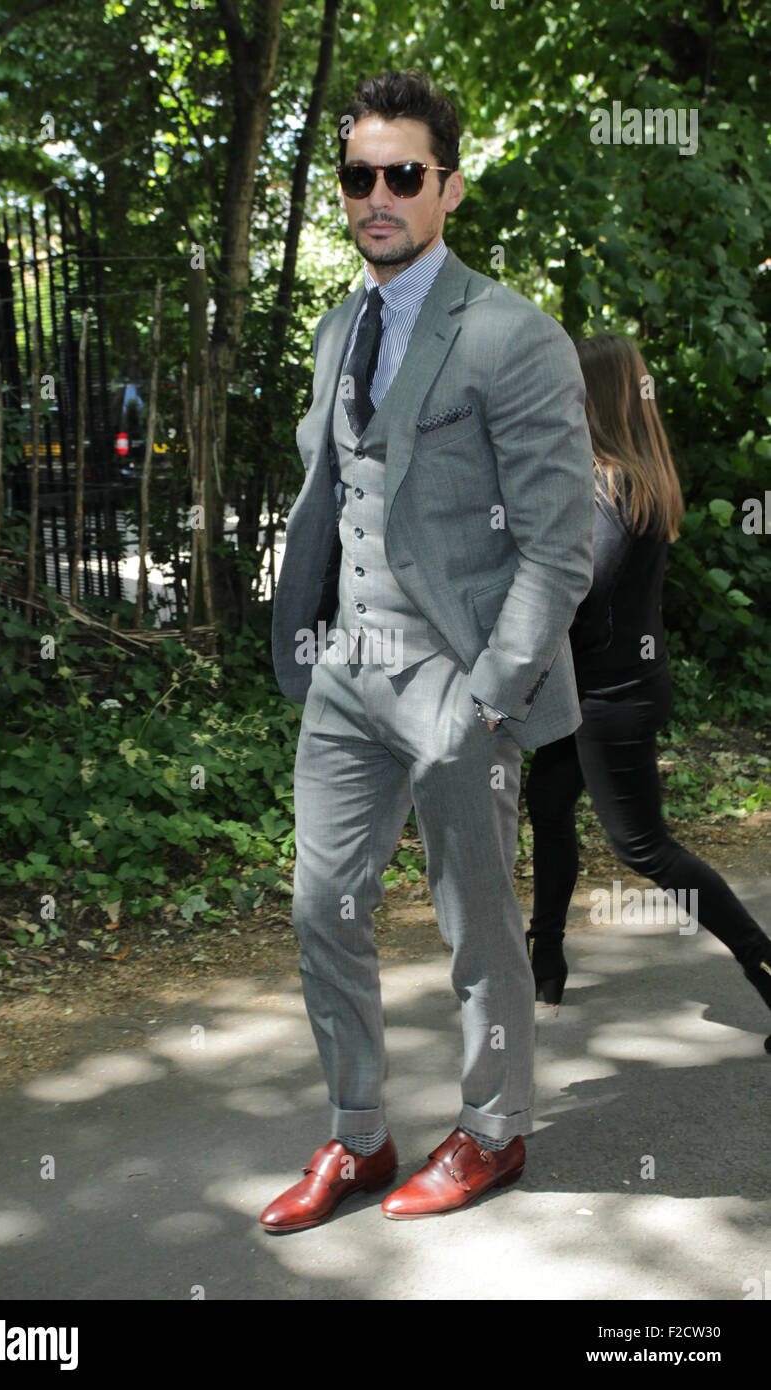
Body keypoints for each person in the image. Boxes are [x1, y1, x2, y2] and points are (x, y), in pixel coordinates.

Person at [260, 68, 594, 1233]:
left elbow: (560, 547)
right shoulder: (335, 326)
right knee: (322, 910)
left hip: (458, 679)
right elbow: (330, 496)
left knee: (476, 924)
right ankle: (359, 1136)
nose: (378, 195)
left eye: (404, 174)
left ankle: (493, 1131)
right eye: (360, 176)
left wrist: (487, 699)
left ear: (447, 186)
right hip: (345, 669)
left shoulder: (512, 336)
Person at [524, 332, 771, 1051]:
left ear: (590, 396)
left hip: (609, 696)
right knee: (548, 802)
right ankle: (545, 958)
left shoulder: (607, 484)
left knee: (646, 848)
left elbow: (587, 598)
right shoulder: (634, 472)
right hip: (603, 685)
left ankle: (761, 959)